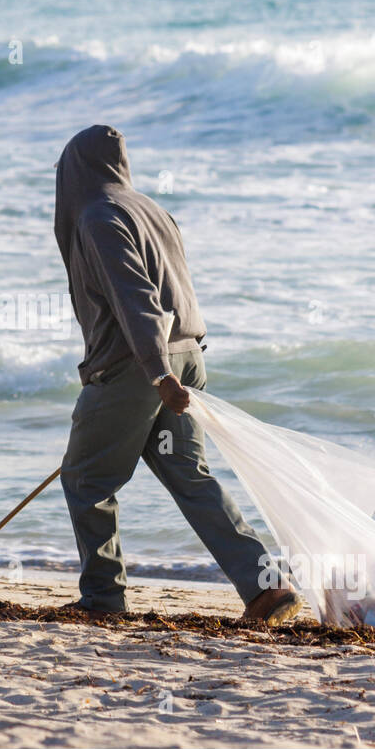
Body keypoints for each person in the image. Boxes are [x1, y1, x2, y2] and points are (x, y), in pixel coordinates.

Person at [54, 124, 302, 624]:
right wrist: (171, 370)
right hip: (185, 354)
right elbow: (175, 290)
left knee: (86, 480)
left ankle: (103, 599)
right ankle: (264, 586)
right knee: (191, 476)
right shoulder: (151, 209)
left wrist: (155, 374)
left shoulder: (99, 216)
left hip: (137, 366)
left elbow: (135, 297)